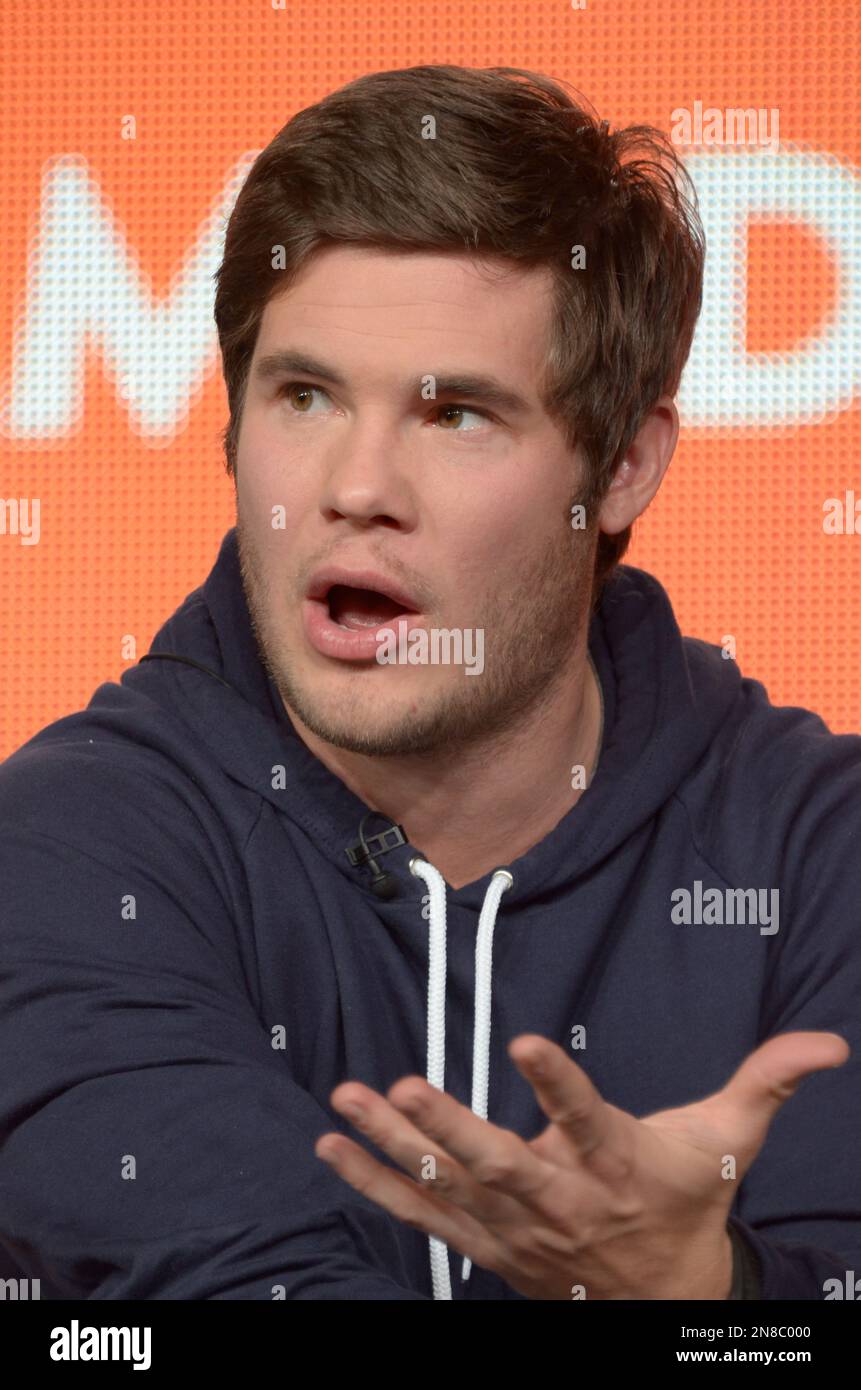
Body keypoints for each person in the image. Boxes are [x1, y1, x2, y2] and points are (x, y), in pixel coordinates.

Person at [0, 64, 858, 1302]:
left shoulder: (824, 852)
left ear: (619, 468)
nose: (356, 487)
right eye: (305, 395)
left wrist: (709, 1297)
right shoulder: (62, 850)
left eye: (453, 414)